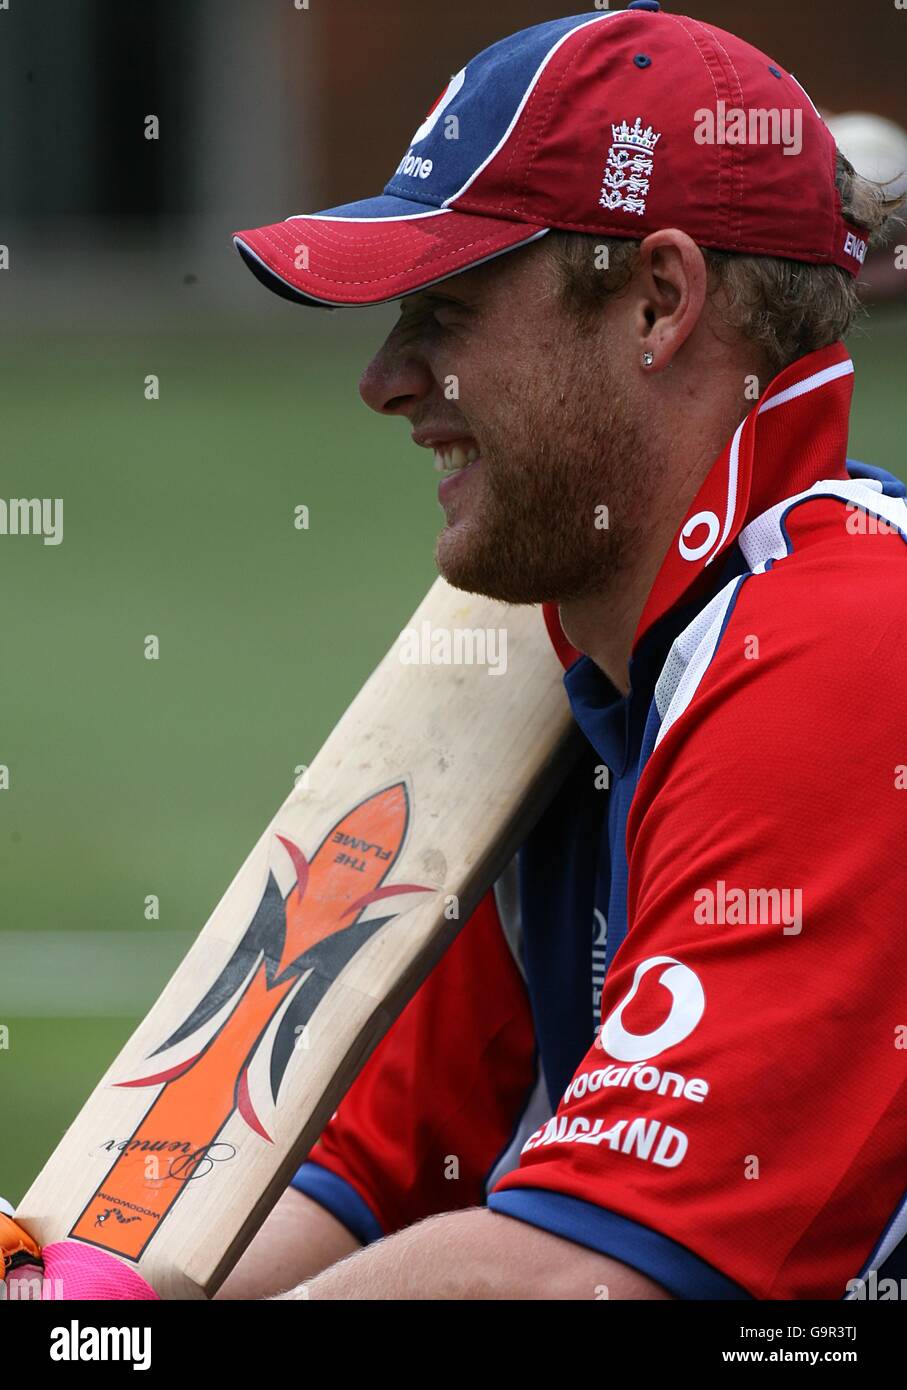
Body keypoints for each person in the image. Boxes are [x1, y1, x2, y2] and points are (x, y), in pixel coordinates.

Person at [223, 5, 907, 1300]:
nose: (385, 379)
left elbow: (589, 1278)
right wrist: (86, 1295)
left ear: (658, 301)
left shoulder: (850, 650)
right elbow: (356, 1180)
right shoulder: (579, 661)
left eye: (450, 307)